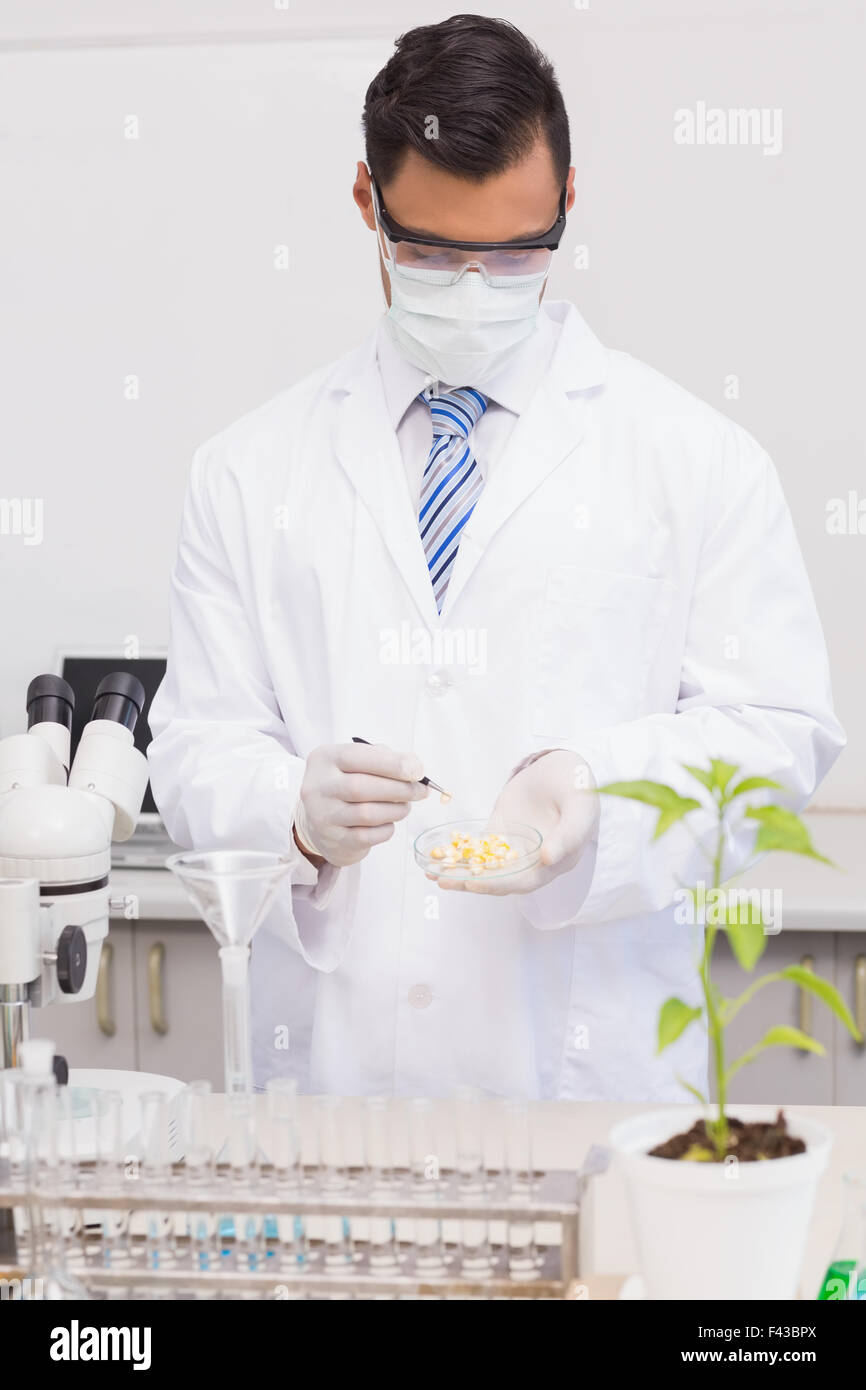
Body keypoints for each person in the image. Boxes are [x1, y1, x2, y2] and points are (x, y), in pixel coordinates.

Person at [148, 15, 843, 1100]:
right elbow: (194, 748)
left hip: (587, 1097)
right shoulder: (247, 472)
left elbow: (774, 739)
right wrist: (291, 808)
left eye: (514, 254)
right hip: (336, 1099)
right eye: (428, 253)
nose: (473, 289)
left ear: (568, 200)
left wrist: (597, 795)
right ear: (366, 207)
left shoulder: (694, 460)